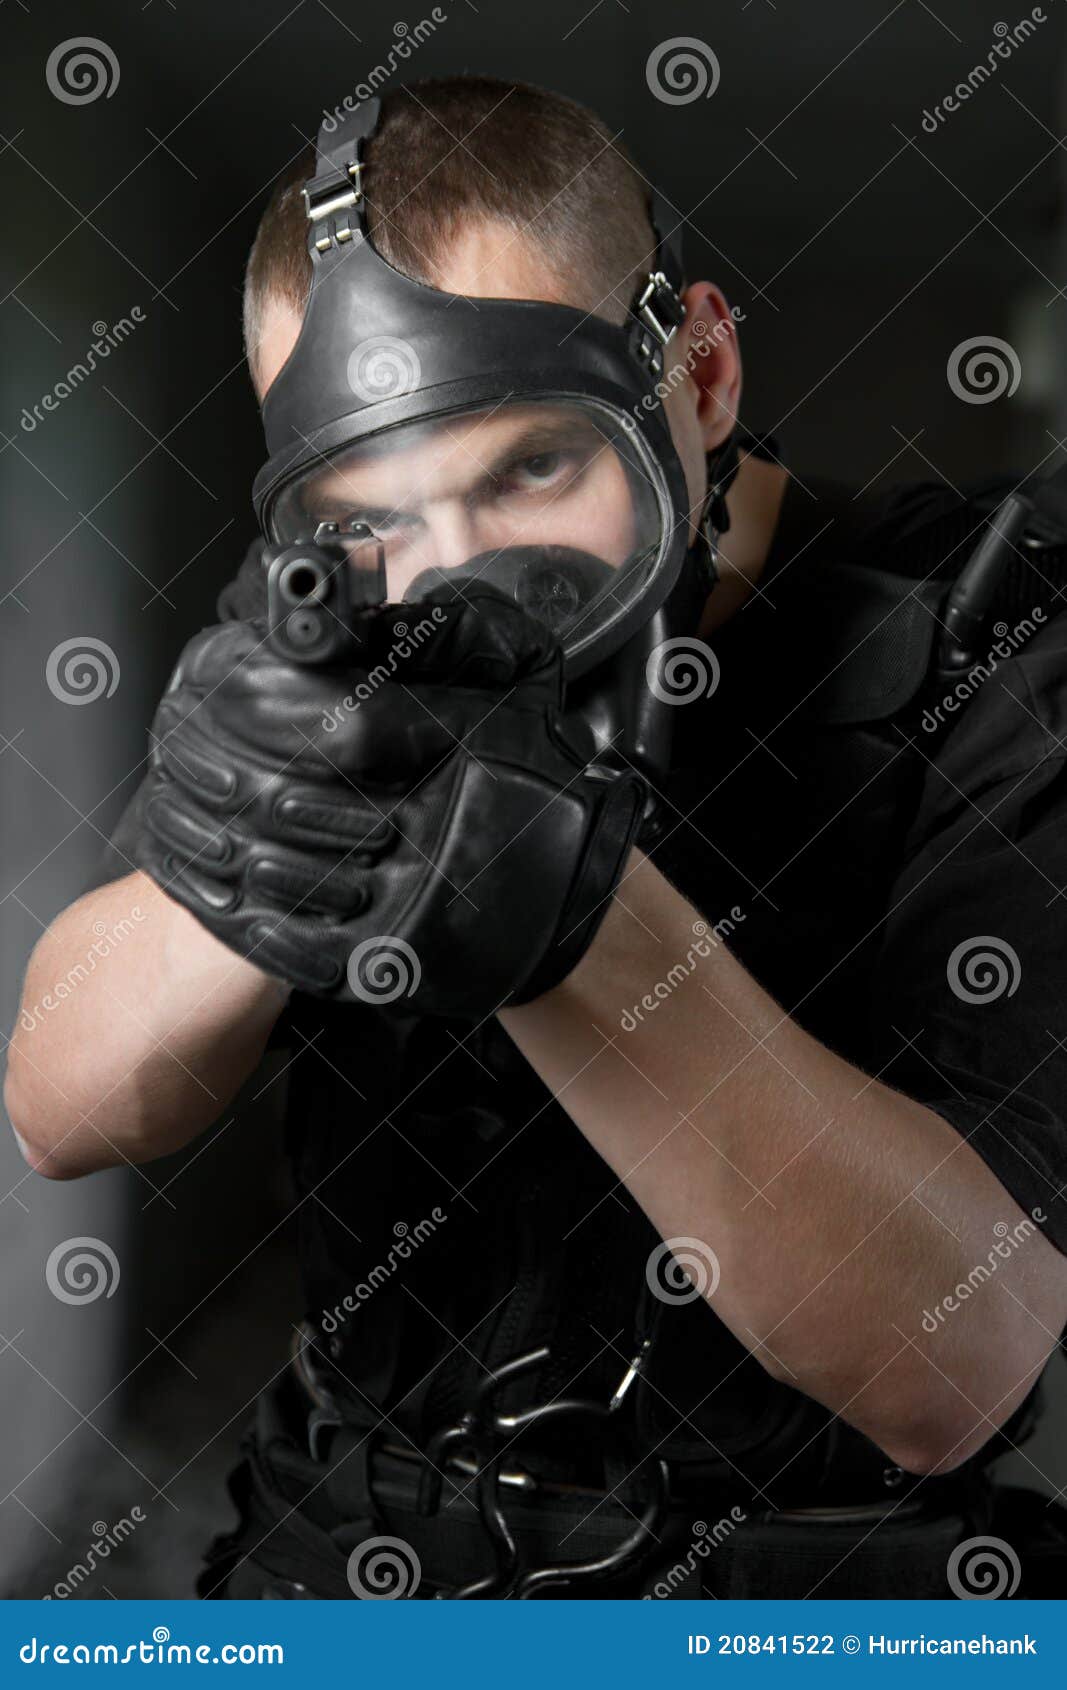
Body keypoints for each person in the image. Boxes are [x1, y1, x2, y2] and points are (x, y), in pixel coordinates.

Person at [7, 75, 1067, 1601]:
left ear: (698, 372)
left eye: (531, 468)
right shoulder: (347, 640)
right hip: (350, 1550)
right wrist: (223, 856)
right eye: (370, 516)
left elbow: (947, 1367)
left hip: (823, 1586)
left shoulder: (990, 634)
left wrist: (548, 886)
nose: (460, 574)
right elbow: (58, 1104)